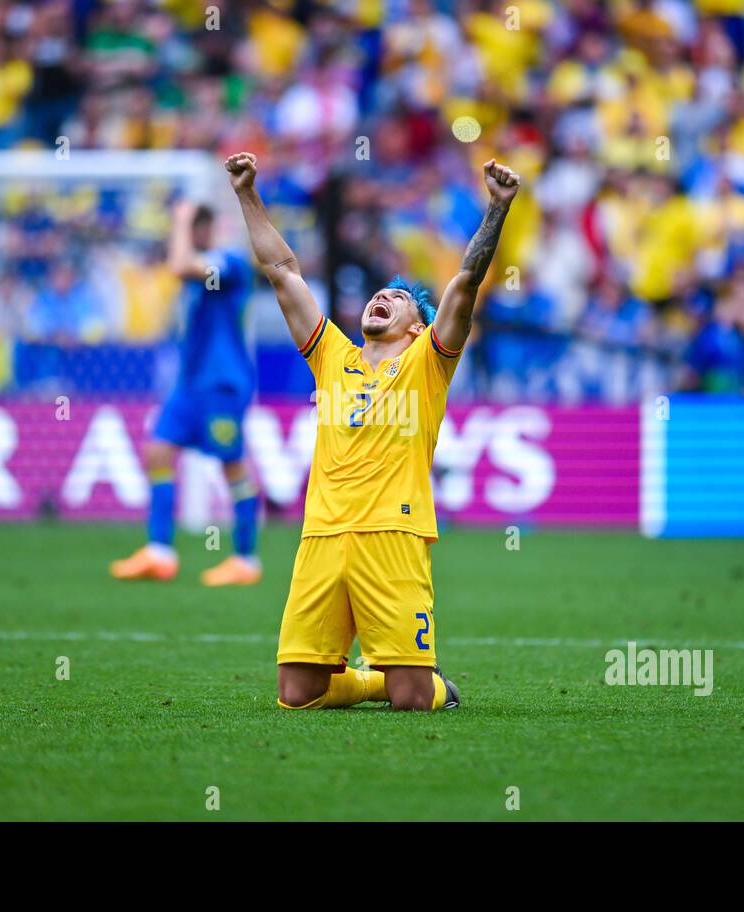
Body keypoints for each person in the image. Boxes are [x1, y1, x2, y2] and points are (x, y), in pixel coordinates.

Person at [225, 150, 520, 711]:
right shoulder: (332, 354)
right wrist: (247, 193)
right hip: (323, 535)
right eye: (379, 293)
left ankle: (411, 681)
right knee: (296, 694)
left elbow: (465, 283)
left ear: (417, 328)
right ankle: (367, 679)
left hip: (394, 536)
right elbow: (283, 272)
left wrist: (497, 210)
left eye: (399, 298)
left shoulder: (428, 364)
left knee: (414, 699)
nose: (382, 296)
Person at [110, 201, 262, 586]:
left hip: (221, 384)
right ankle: (160, 551)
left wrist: (179, 218)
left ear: (206, 230)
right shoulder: (200, 273)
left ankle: (246, 559)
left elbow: (178, 265)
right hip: (189, 384)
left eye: (191, 228)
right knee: (158, 451)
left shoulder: (229, 263)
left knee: (232, 466)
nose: (183, 235)